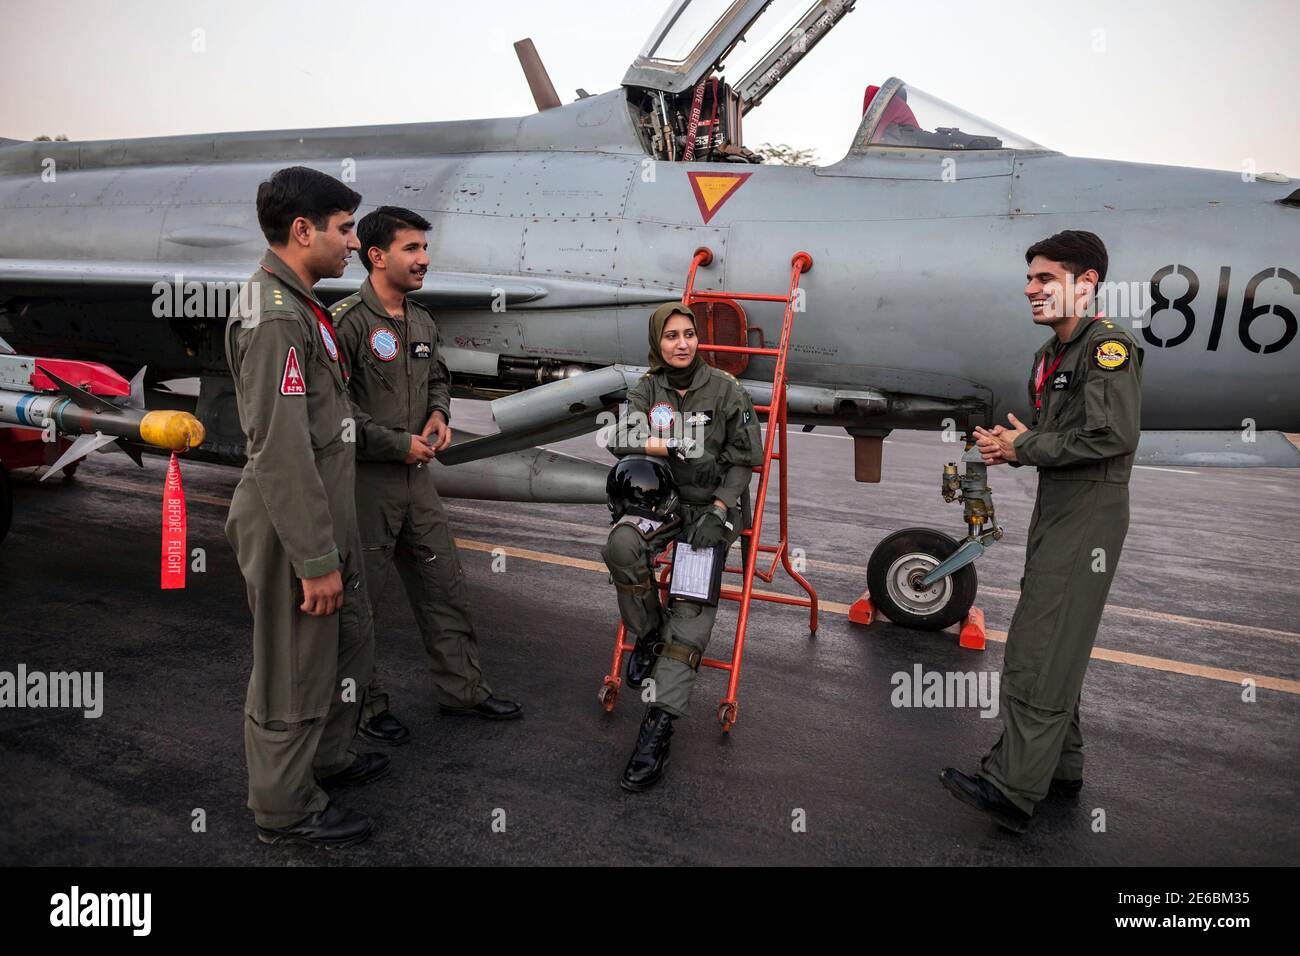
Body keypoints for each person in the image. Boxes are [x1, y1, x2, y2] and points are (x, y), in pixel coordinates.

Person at [940, 230, 1142, 833]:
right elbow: (1059, 435)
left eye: (1045, 278)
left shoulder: (1108, 348)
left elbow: (1111, 437)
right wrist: (1011, 446)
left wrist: (1026, 446)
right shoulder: (1051, 354)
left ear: (1087, 284)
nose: (1030, 289)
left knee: (1039, 647)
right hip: (1060, 506)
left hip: (1089, 510)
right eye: (1030, 278)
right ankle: (1059, 768)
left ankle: (1011, 788)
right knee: (1060, 642)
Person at [224, 166, 388, 849]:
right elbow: (280, 449)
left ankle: (327, 760)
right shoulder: (272, 317)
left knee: (341, 644)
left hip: (321, 512)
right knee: (293, 664)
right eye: (345, 229)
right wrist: (315, 558)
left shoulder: (304, 306)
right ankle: (285, 807)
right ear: (303, 230)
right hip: (291, 521)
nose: (353, 244)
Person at [330, 206, 520, 744]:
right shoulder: (345, 325)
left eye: (423, 249)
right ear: (377, 255)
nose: (423, 259)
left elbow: (438, 374)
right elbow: (336, 415)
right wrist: (397, 444)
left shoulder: (420, 319)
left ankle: (464, 691)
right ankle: (364, 708)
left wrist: (439, 414)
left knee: (445, 587)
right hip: (366, 485)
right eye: (411, 249)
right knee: (358, 605)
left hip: (418, 482)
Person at [602, 302, 761, 791]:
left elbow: (742, 461)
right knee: (621, 544)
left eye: (689, 334)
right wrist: (667, 445)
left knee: (689, 616)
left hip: (711, 512)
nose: (682, 343)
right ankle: (648, 634)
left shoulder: (726, 389)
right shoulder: (647, 387)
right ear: (658, 342)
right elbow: (619, 437)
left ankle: (658, 728)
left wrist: (718, 510)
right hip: (662, 500)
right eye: (671, 335)